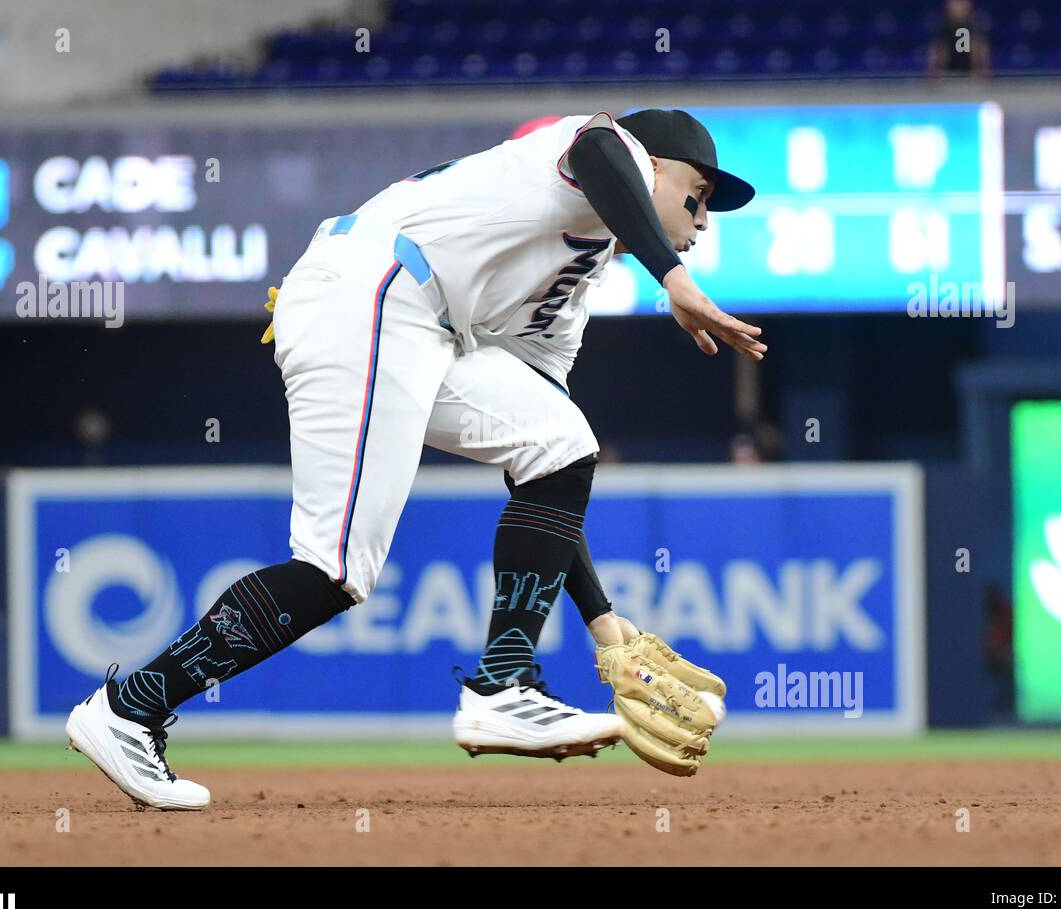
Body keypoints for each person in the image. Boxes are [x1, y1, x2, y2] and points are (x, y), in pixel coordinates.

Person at [65, 108, 763, 809]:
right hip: (373, 288)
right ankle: (130, 708)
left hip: (419, 326)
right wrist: (672, 278)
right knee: (334, 571)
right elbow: (601, 151)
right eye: (697, 195)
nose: (703, 219)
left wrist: (603, 623)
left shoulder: (573, 283)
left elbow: (541, 469)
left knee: (560, 441)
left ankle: (503, 681)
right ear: (653, 166)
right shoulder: (606, 151)